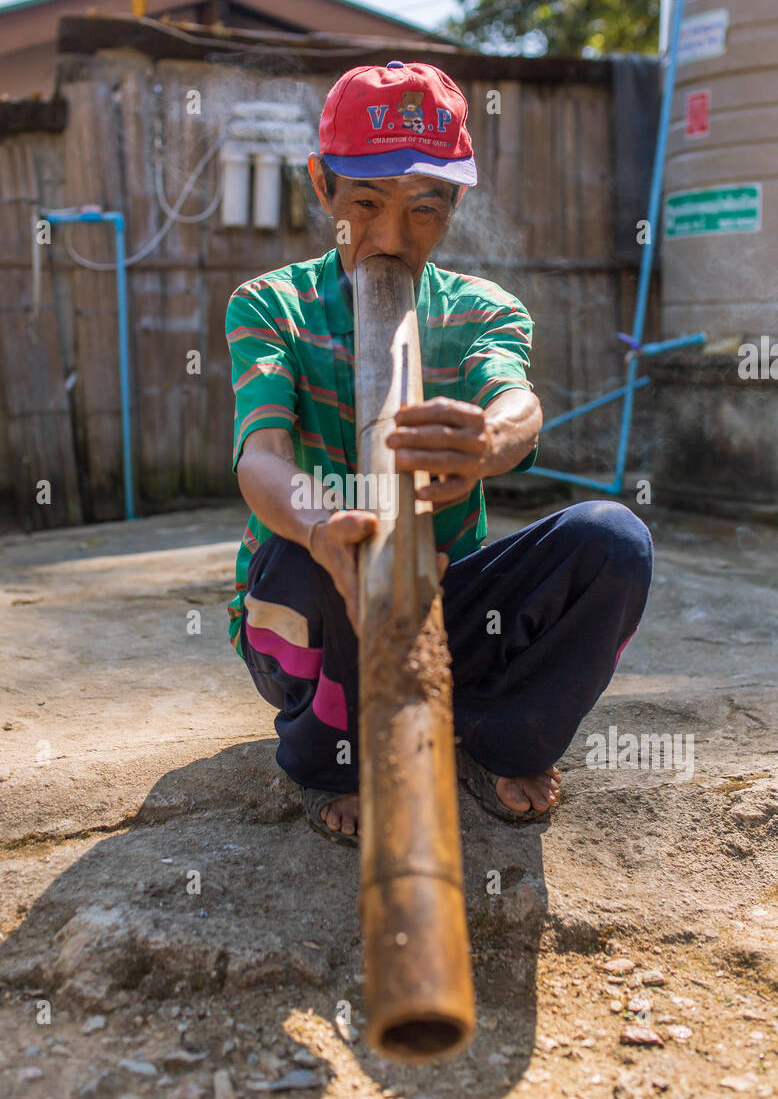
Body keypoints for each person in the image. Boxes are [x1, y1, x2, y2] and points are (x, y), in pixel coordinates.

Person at [225, 60, 653, 846]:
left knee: (613, 542)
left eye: (425, 209)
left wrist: (490, 443)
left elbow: (517, 403)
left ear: (456, 204)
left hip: (443, 600)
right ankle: (332, 757)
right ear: (321, 184)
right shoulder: (271, 304)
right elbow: (263, 456)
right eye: (366, 203)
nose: (392, 238)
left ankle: (502, 734)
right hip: (317, 608)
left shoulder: (483, 310)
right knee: (315, 545)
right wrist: (322, 529)